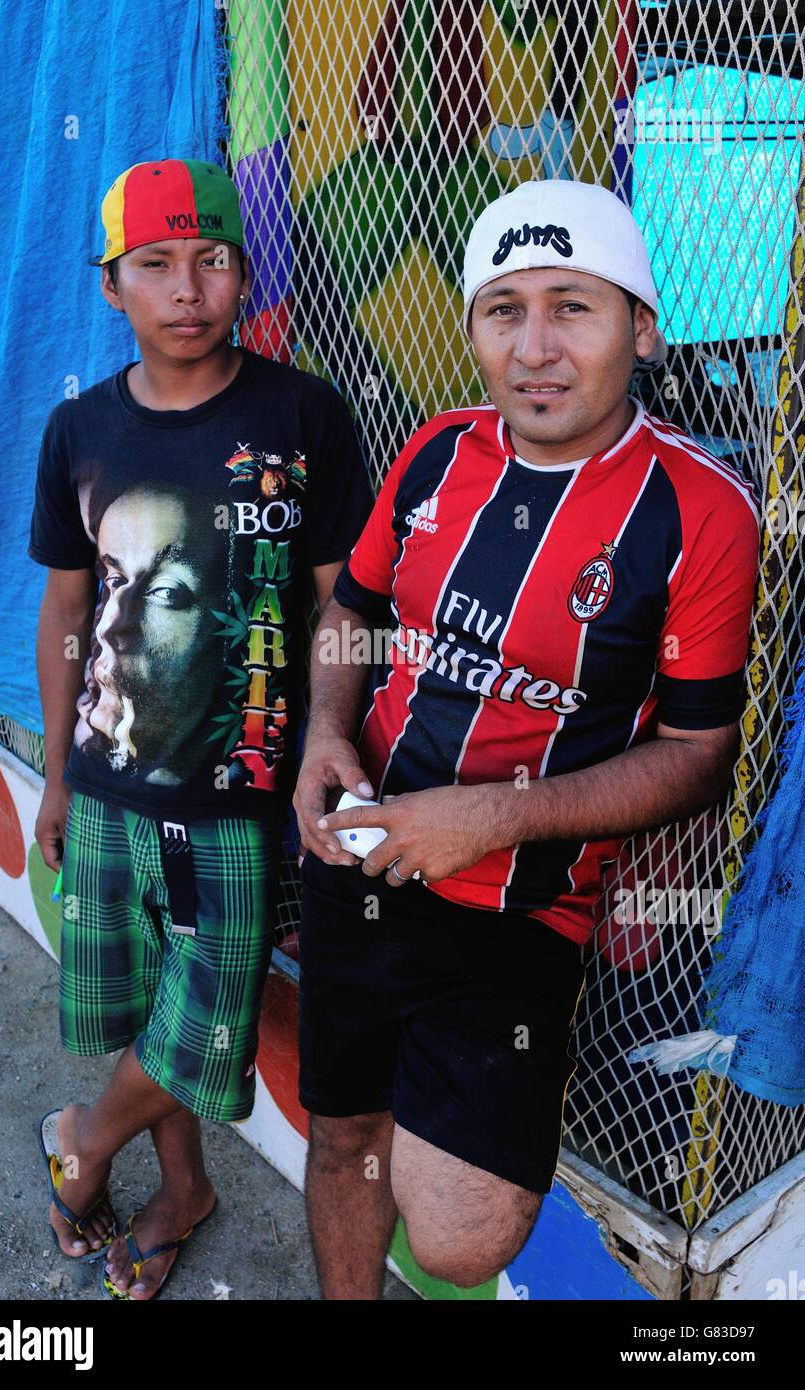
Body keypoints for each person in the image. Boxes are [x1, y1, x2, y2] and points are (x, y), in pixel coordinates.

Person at [293, 178, 760, 1298]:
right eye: (503, 309)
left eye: (573, 306)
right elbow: (352, 611)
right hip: (358, 859)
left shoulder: (700, 510)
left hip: (518, 908)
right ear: (470, 331)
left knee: (459, 1238)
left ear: (641, 331)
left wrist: (493, 819)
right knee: (340, 1127)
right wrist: (322, 730)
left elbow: (698, 758)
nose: (535, 346)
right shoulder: (433, 454)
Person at [29, 158, 372, 1299]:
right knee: (136, 1011)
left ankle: (81, 1138)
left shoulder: (304, 415)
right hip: (108, 780)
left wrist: (332, 746)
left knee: (197, 1030)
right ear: (111, 286)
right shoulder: (80, 427)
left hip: (237, 803)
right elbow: (68, 608)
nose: (187, 289)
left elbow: (346, 602)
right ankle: (184, 1191)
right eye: (156, 266)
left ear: (243, 272)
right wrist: (57, 776)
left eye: (211, 260)